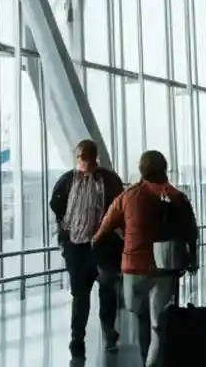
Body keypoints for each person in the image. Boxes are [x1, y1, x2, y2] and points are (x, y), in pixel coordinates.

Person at [92, 150, 198, 367]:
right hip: (166, 267)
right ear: (165, 168)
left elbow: (103, 230)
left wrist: (98, 250)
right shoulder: (177, 196)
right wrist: (192, 258)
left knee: (141, 317)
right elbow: (191, 231)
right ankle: (155, 361)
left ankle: (145, 359)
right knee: (160, 322)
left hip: (133, 269)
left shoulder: (127, 197)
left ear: (141, 170)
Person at [49, 139, 125, 358]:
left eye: (87, 157)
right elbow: (56, 204)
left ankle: (108, 331)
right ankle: (77, 338)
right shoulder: (68, 180)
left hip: (104, 246)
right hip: (77, 247)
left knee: (107, 289)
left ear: (94, 157)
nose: (85, 161)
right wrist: (66, 233)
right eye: (82, 157)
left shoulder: (108, 180)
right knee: (81, 295)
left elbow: (119, 207)